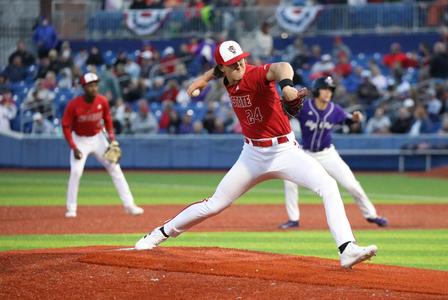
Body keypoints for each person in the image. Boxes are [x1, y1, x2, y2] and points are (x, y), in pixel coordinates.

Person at [134, 41, 378, 269]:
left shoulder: (256, 73)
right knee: (215, 204)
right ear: (223, 68)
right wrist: (202, 79)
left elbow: (282, 66)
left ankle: (347, 248)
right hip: (252, 155)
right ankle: (158, 234)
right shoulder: (227, 78)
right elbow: (217, 72)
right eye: (233, 63)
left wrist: (287, 87)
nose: (239, 64)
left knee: (328, 185)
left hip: (285, 151)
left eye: (241, 59)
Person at [278, 76, 388, 230]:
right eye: (325, 88)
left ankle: (371, 215)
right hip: (306, 153)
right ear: (317, 90)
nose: (328, 92)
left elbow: (349, 120)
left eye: (331, 89)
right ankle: (293, 219)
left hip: (327, 154)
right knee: (290, 182)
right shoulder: (305, 107)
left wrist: (356, 118)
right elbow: (286, 113)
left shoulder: (334, 109)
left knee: (352, 185)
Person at [61, 72, 144, 218]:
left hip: (98, 138)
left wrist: (112, 139)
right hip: (80, 140)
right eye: (90, 86)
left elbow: (107, 120)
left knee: (115, 169)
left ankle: (129, 205)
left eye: (95, 85)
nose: (94, 88)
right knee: (76, 172)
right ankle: (71, 208)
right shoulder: (74, 105)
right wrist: (73, 147)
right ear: (83, 87)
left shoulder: (102, 101)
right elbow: (65, 126)